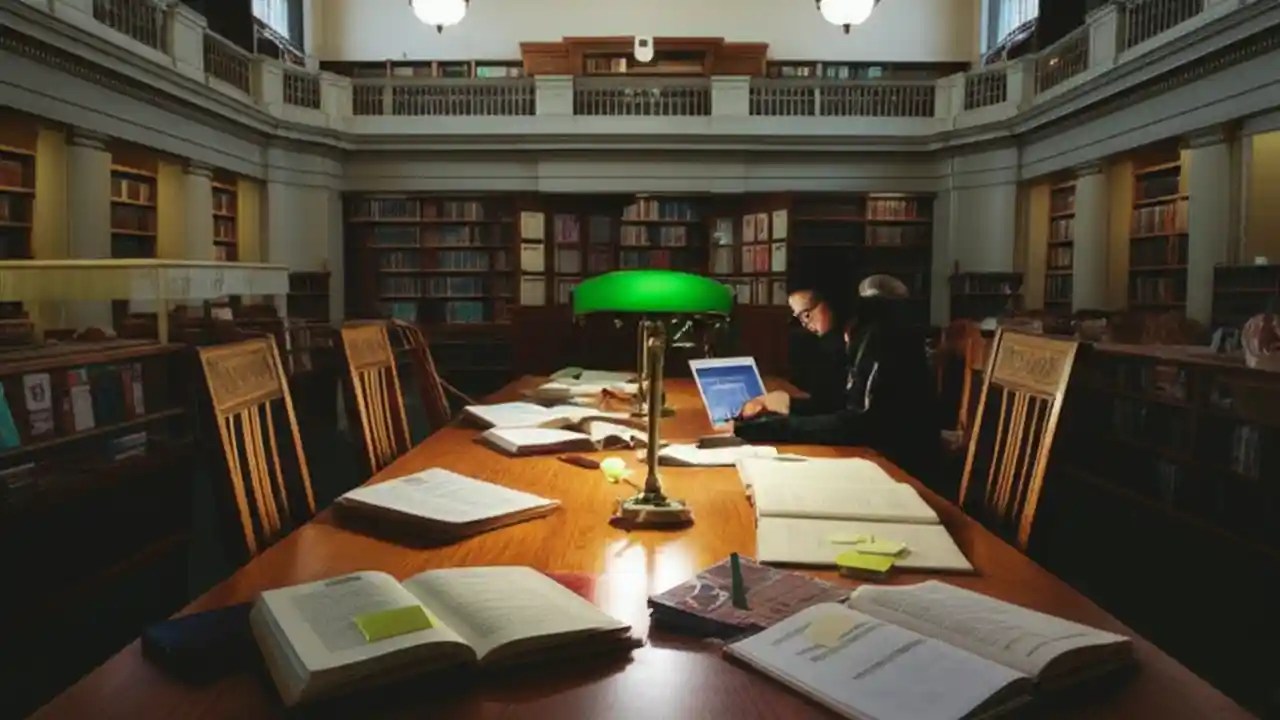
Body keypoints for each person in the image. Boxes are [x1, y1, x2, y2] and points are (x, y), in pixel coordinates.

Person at [732, 271, 941, 483]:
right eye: (799, 318)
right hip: (874, 457)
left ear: (832, 299)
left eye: (807, 314)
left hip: (901, 471)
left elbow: (861, 425)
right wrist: (789, 406)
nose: (806, 325)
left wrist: (768, 429)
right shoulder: (854, 331)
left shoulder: (883, 337)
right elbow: (841, 403)